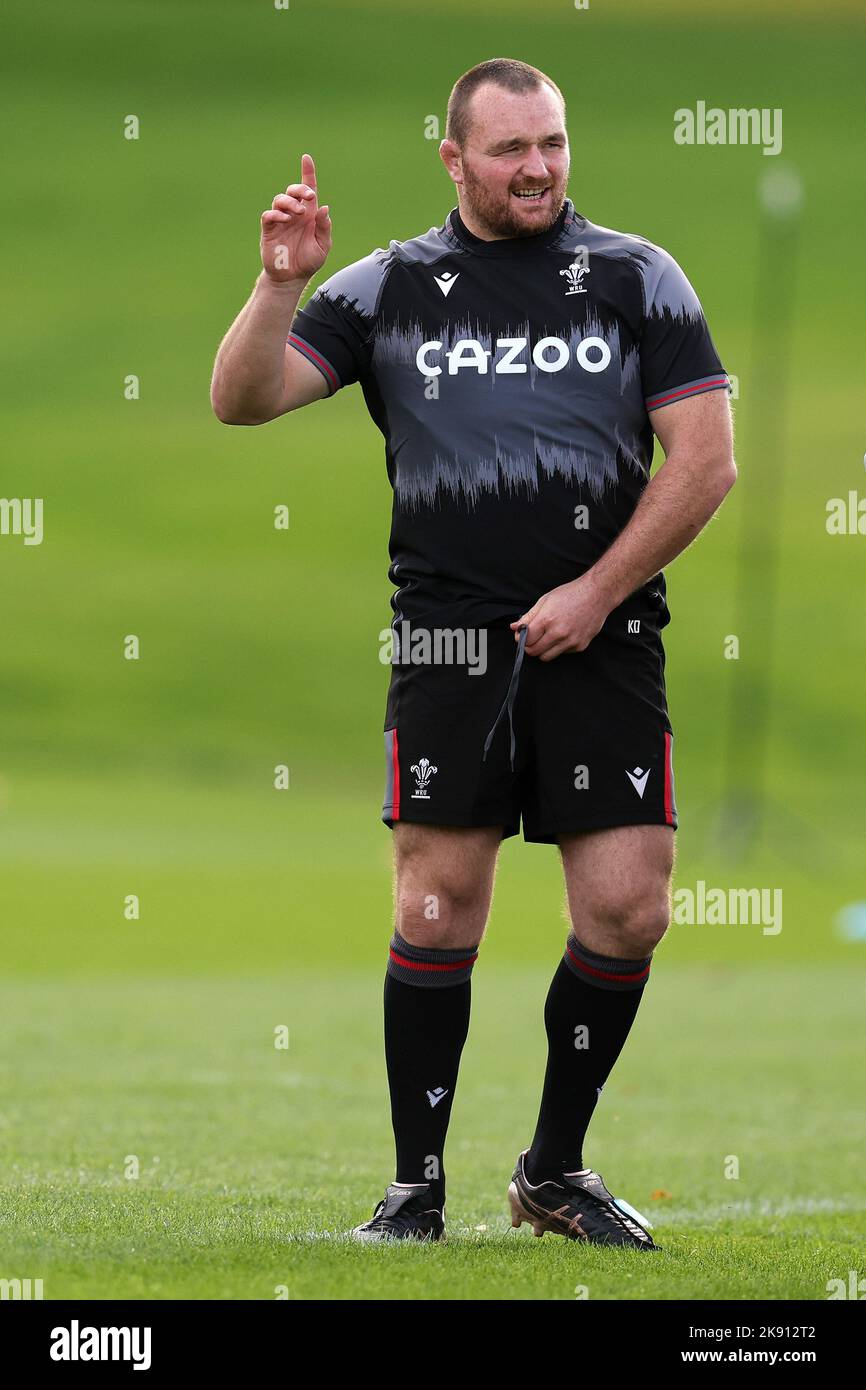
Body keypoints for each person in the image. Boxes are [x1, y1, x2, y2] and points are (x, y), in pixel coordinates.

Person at [210, 57, 735, 1248]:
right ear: (453, 159)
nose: (537, 168)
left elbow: (703, 461)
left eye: (550, 143)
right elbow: (240, 400)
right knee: (437, 906)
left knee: (627, 910)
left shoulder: (634, 278)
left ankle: (552, 1170)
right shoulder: (390, 285)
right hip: (448, 638)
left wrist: (595, 592)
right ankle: (413, 1190)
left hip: (604, 636)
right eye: (508, 150)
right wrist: (275, 289)